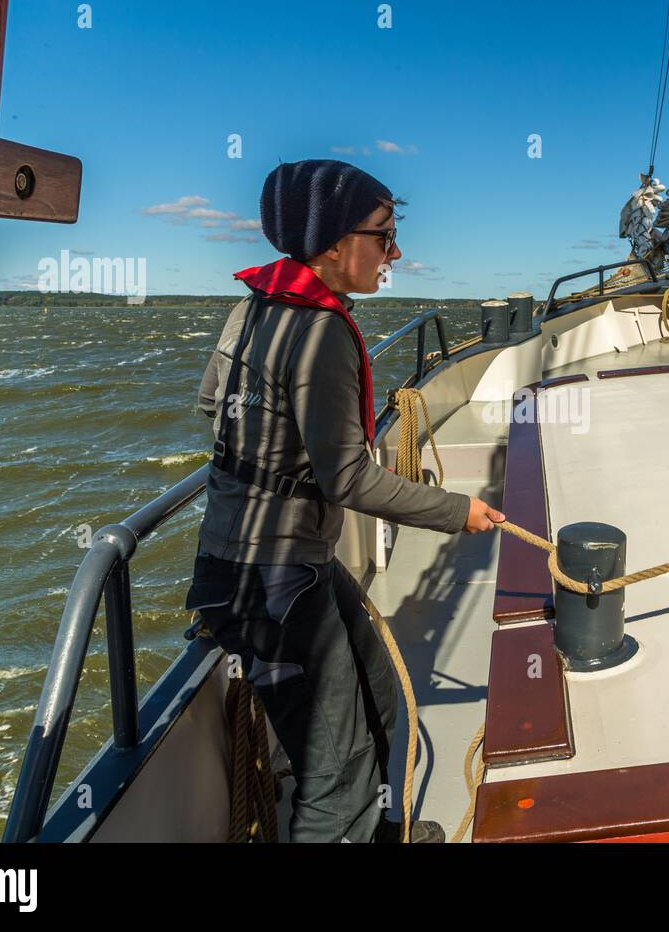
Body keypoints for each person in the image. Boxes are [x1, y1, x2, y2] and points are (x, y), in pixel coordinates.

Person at [185, 159, 505, 843]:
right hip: (273, 577)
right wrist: (459, 513)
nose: (396, 252)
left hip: (250, 560)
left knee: (379, 694)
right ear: (333, 246)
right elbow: (349, 480)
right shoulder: (321, 332)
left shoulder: (252, 308)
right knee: (340, 777)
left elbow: (212, 402)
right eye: (384, 236)